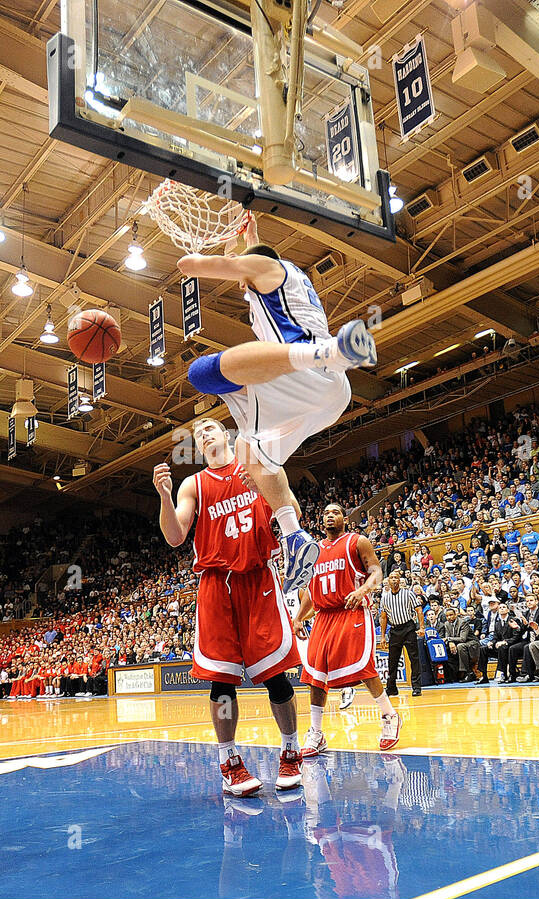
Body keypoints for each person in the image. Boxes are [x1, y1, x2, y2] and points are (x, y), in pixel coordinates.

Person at [176, 215, 377, 594]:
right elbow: (249, 267)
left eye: (243, 275)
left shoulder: (264, 268)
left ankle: (330, 351)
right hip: (327, 392)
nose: (240, 282)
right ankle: (294, 536)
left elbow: (192, 266)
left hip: (306, 374)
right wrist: (246, 239)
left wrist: (202, 242)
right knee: (248, 453)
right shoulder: (284, 277)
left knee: (201, 373)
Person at [153, 417, 304, 797]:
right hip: (217, 585)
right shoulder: (194, 485)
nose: (204, 432)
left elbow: (293, 513)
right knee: (222, 680)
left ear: (226, 435)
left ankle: (291, 750)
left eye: (210, 427)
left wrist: (268, 494)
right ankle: (229, 760)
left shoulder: (255, 465)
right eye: (198, 431)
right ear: (199, 446)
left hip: (258, 579)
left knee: (276, 674)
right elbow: (174, 537)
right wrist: (165, 497)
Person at [292, 503, 399, 756]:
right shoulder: (314, 550)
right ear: (321, 521)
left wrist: (363, 590)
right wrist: (298, 618)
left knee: (364, 668)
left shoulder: (357, 542)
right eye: (326, 512)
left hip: (351, 611)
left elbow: (376, 572)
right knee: (315, 677)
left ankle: (389, 715)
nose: (330, 515)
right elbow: (311, 592)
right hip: (323, 617)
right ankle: (316, 733)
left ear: (344, 518)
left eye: (335, 512)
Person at [378, 572, 427, 696]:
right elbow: (383, 618)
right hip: (394, 630)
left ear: (400, 581)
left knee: (414, 658)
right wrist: (383, 636)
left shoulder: (409, 594)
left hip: (408, 627)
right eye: (391, 578)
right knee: (392, 661)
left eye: (396, 578)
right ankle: (392, 688)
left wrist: (421, 627)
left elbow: (419, 610)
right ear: (388, 581)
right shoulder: (385, 597)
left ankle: (416, 687)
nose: (394, 580)